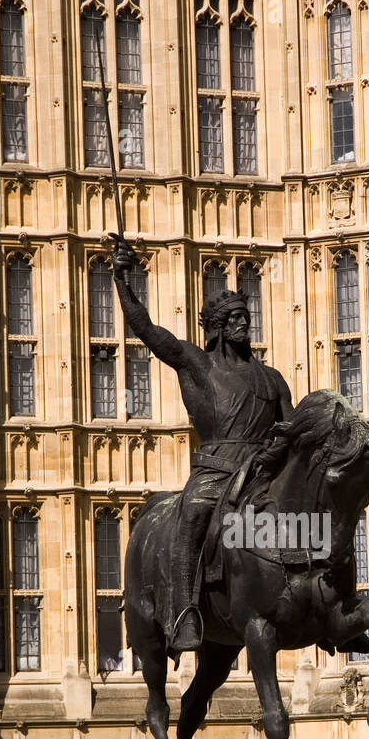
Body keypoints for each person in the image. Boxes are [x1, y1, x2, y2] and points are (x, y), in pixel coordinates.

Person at [112, 241, 294, 652]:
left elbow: (291, 429)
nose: (243, 324)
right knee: (193, 514)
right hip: (215, 470)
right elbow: (148, 331)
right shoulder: (199, 364)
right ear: (216, 327)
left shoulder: (273, 379)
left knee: (310, 513)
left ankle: (328, 603)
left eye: (246, 318)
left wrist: (279, 451)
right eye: (234, 319)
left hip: (263, 472)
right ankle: (183, 613)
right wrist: (122, 280)